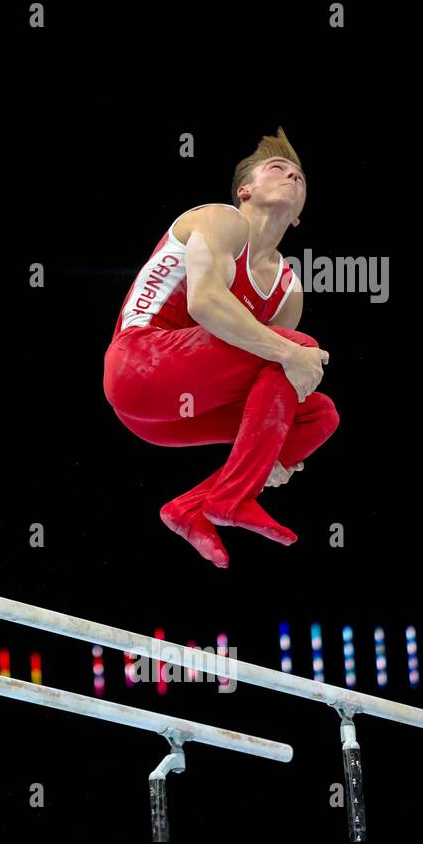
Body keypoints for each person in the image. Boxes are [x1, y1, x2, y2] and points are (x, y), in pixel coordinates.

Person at [102, 128, 338, 568]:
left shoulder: (288, 290)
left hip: (166, 419)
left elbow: (272, 386)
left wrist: (271, 448)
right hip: (137, 366)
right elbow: (205, 301)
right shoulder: (221, 219)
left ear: (298, 217)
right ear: (244, 191)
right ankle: (232, 497)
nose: (292, 176)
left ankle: (193, 508)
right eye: (278, 168)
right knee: (296, 348)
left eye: (300, 177)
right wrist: (290, 355)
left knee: (318, 416)